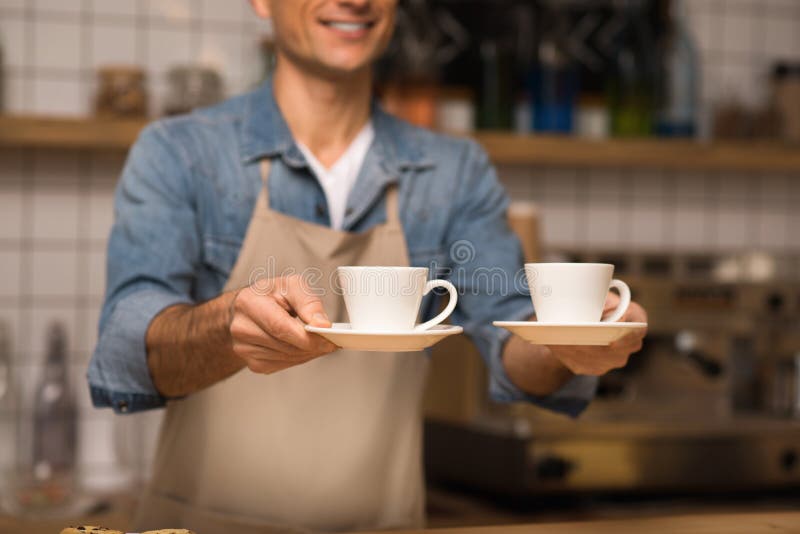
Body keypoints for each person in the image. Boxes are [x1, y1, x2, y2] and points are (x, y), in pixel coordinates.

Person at [88, 0, 648, 532]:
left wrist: (570, 344)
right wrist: (224, 326)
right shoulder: (178, 154)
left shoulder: (453, 174)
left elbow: (511, 332)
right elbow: (131, 347)